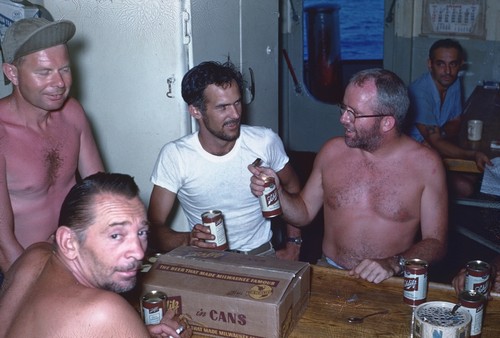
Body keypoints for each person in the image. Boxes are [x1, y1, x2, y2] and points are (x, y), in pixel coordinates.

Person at [249, 68, 448, 283]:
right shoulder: (332, 152)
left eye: (354, 113)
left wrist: (394, 263)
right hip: (330, 270)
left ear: (387, 122)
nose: (343, 119)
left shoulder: (426, 166)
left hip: (393, 277)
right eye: (343, 108)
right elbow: (304, 213)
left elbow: (436, 242)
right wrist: (277, 193)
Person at [0, 172, 190, 338]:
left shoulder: (33, 255)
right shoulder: (106, 312)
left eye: (141, 233)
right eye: (116, 235)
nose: (139, 252)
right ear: (68, 242)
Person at [148, 61, 301, 259]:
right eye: (223, 107)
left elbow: (294, 189)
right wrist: (186, 240)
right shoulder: (176, 156)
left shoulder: (264, 142)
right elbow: (152, 228)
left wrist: (294, 243)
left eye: (237, 102)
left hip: (262, 255)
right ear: (196, 111)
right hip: (206, 260)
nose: (236, 114)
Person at [0, 18, 104, 277]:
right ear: (12, 73)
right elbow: (3, 244)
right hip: (18, 269)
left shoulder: (72, 114)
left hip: (72, 258)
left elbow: (100, 195)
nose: (59, 83)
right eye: (44, 72)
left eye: (65, 69)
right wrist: (43, 290)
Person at [407, 38, 492, 197]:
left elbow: (455, 122)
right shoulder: (419, 93)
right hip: (410, 159)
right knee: (464, 186)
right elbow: (438, 140)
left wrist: (439, 137)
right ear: (430, 64)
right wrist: (471, 154)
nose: (447, 71)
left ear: (461, 64)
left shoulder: (454, 82)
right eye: (440, 64)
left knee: (473, 175)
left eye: (452, 64)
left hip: (434, 149)